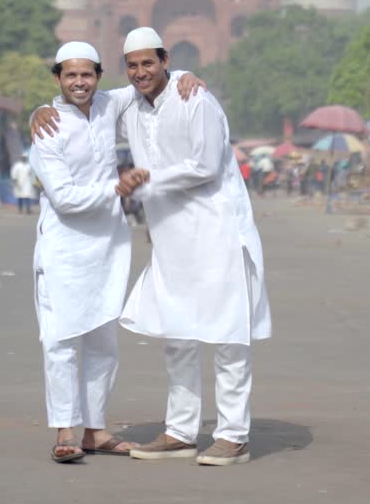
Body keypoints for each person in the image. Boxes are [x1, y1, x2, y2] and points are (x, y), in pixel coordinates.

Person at [27, 41, 206, 464]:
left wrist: (185, 77)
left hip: (107, 244)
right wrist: (115, 186)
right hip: (64, 245)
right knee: (61, 339)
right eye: (70, 75)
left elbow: (150, 78)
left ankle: (95, 430)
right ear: (57, 79)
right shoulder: (48, 127)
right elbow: (66, 198)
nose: (79, 82)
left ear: (98, 77)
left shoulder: (110, 105)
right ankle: (64, 431)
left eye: (86, 74)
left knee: (104, 341)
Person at [114, 27, 271, 467]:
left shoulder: (195, 100)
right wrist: (43, 111)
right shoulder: (129, 105)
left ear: (166, 61)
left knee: (227, 335)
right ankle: (181, 431)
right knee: (178, 335)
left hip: (216, 230)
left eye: (150, 63)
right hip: (170, 237)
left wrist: (146, 181)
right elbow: (82, 95)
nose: (141, 72)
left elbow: (204, 165)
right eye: (133, 65)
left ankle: (234, 435)